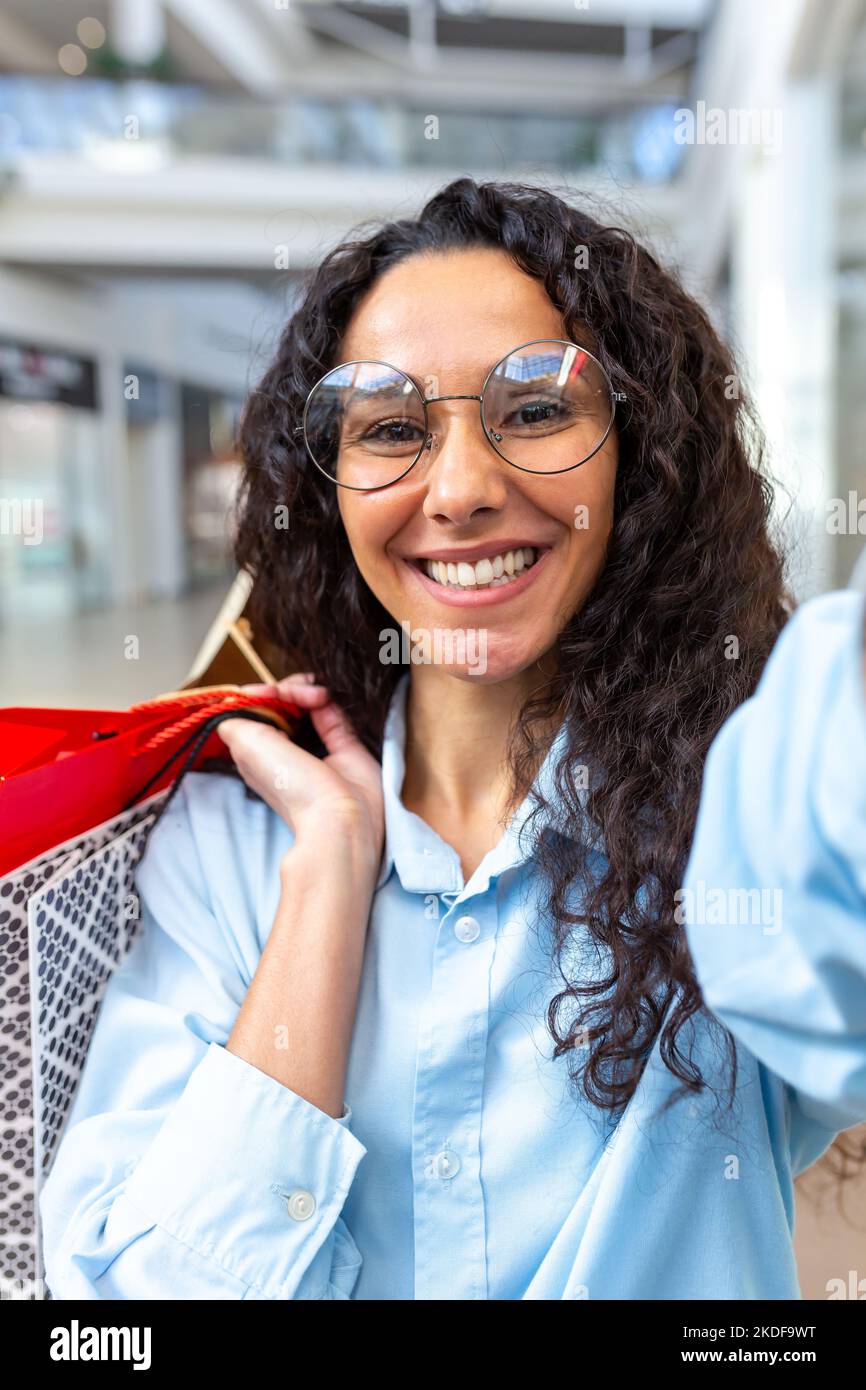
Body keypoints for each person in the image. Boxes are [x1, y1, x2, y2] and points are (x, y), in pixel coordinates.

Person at [38, 178, 866, 1300]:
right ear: (330, 488)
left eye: (534, 410)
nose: (464, 490)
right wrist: (329, 877)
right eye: (389, 428)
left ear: (637, 458)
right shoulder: (238, 839)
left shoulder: (739, 809)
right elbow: (129, 1306)